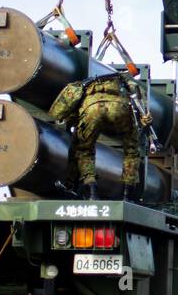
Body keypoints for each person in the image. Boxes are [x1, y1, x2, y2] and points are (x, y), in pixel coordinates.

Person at [51, 70, 145, 199]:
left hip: (92, 108)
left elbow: (64, 111)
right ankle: (127, 195)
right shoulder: (123, 80)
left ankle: (92, 192)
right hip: (120, 107)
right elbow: (138, 96)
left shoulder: (85, 84)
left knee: (84, 150)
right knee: (131, 151)